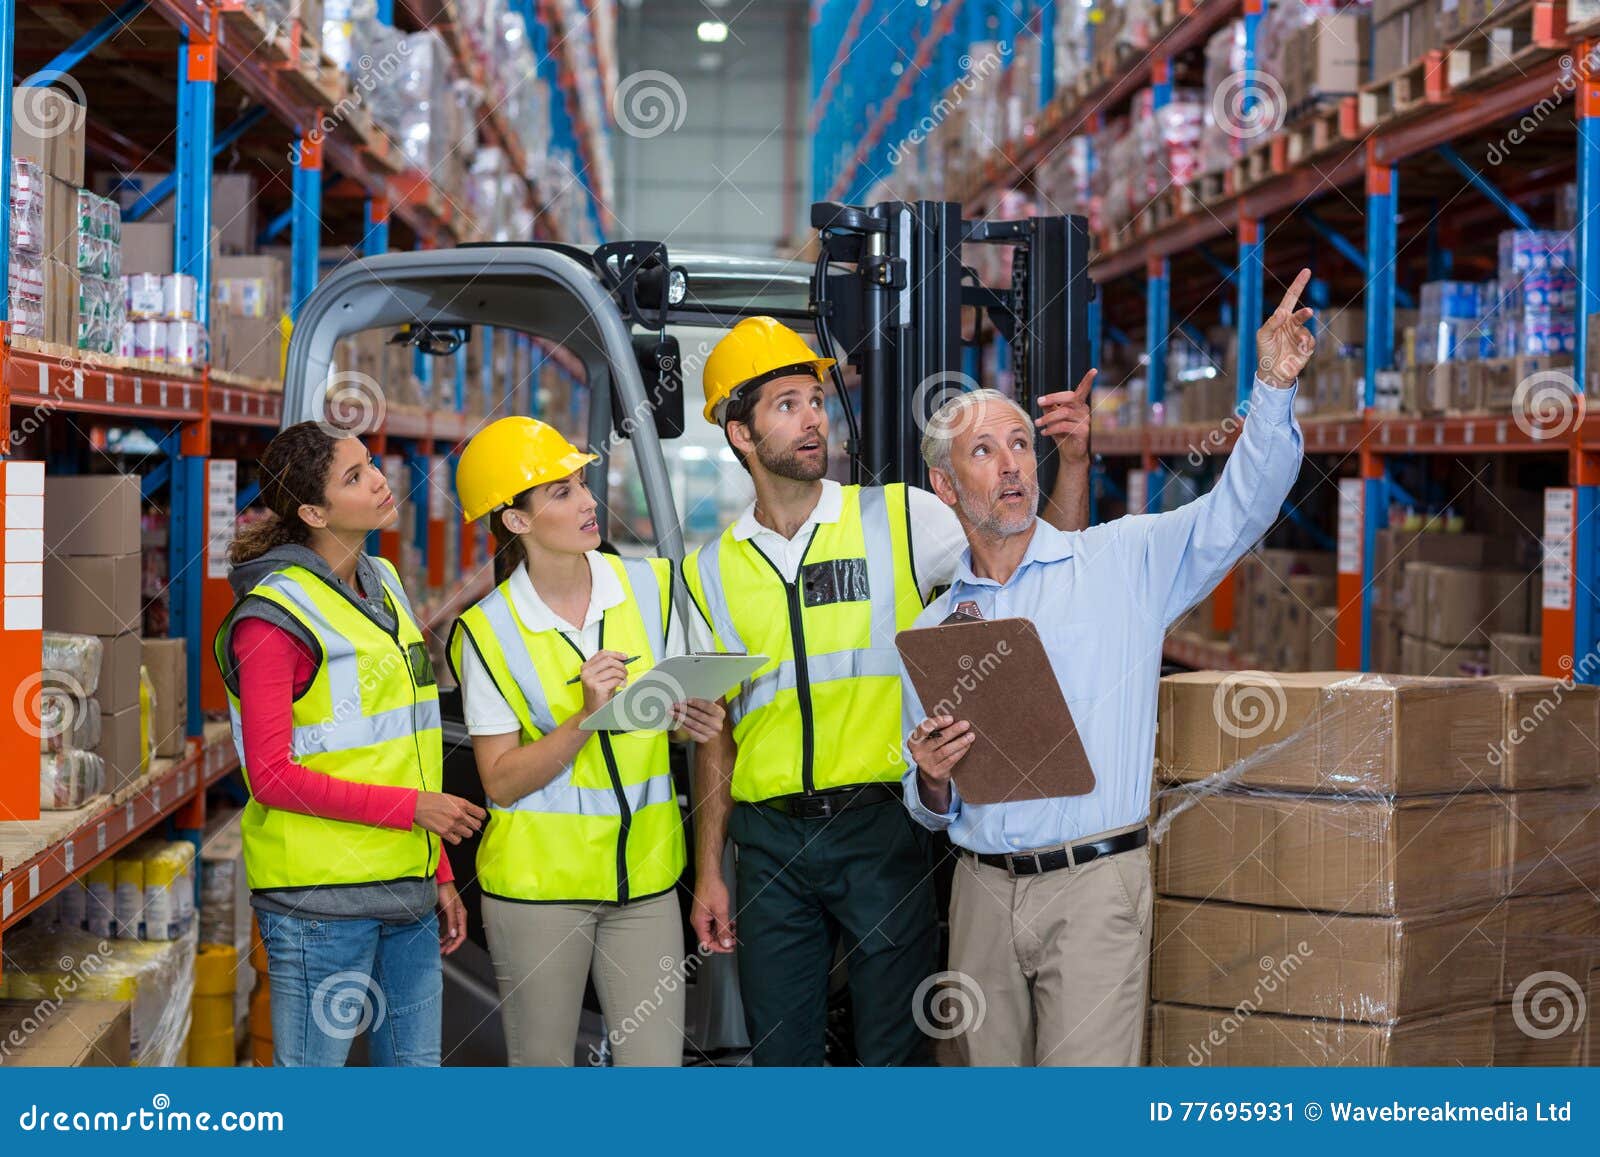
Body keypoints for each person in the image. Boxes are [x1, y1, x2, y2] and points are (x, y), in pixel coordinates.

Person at [901, 270, 1318, 1066]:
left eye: (1021, 442)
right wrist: (930, 776)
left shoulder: (1122, 561)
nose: (1014, 464)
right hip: (982, 890)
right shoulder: (934, 627)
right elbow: (927, 807)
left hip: (1094, 887)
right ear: (946, 485)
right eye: (984, 451)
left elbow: (1242, 509)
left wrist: (1270, 388)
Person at [681, 316, 1094, 1065]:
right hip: (767, 842)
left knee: (894, 1053)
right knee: (781, 1057)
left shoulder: (900, 518)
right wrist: (710, 869)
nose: (813, 418)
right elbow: (716, 729)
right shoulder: (711, 568)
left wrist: (1072, 463)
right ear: (740, 433)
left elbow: (1036, 561)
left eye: (815, 399)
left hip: (880, 830)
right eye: (786, 405)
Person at [448, 416, 723, 1067]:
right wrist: (584, 716)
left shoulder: (652, 587)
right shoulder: (488, 631)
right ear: (515, 520)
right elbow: (501, 780)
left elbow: (684, 706)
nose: (588, 499)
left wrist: (693, 716)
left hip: (646, 885)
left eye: (582, 484)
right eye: (562, 492)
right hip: (538, 893)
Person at [214, 421, 487, 1067]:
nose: (379, 480)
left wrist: (437, 871)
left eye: (372, 464)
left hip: (408, 890)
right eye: (355, 475)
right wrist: (414, 812)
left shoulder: (384, 580)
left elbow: (407, 743)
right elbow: (272, 776)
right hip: (319, 907)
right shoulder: (272, 619)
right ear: (313, 510)